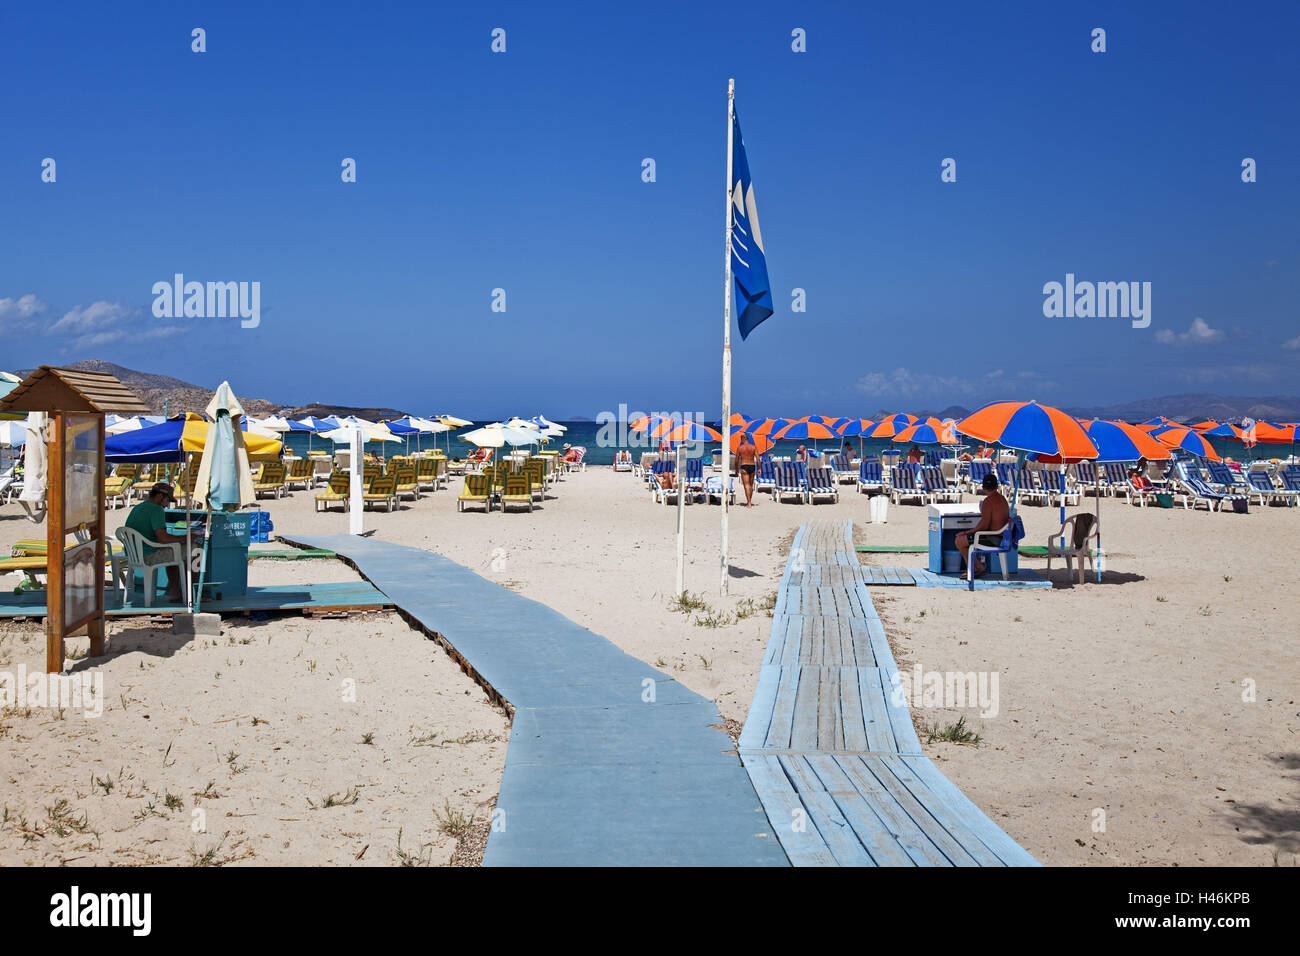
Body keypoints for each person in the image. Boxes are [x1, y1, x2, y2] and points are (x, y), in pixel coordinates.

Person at [124, 482, 187, 602]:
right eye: (167, 500)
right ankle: (192, 594)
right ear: (160, 496)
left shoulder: (138, 507)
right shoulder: (156, 510)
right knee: (194, 549)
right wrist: (185, 538)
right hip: (148, 556)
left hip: (134, 555)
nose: (167, 505)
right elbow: (163, 539)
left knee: (174, 552)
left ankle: (175, 593)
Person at [956, 473, 1011, 577]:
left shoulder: (988, 501)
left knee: (959, 541)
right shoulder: (1003, 499)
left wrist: (967, 532)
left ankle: (977, 568)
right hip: (1002, 536)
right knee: (966, 538)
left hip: (994, 538)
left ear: (983, 487)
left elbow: (984, 526)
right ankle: (975, 568)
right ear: (996, 486)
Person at [736, 434, 757, 507]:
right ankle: (749, 501)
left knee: (746, 485)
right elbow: (758, 459)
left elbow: (736, 460)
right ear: (747, 439)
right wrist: (760, 468)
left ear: (742, 439)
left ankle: (749, 503)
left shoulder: (740, 448)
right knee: (751, 485)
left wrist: (736, 470)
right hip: (752, 466)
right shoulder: (753, 447)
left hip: (744, 466)